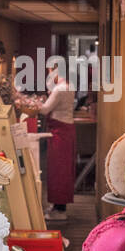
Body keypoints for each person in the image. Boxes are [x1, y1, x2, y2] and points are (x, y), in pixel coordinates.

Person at [39, 62, 76, 223]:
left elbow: (45, 110)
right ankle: (57, 206)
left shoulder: (59, 89)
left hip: (60, 133)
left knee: (58, 171)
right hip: (66, 131)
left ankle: (60, 210)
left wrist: (35, 103)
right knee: (63, 170)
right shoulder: (68, 86)